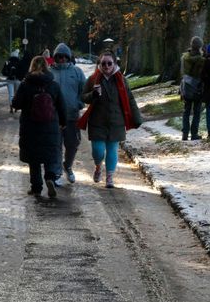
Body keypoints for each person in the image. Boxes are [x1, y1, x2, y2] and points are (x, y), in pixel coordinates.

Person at [78, 50, 142, 188]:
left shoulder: (121, 80)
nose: (106, 66)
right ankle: (98, 166)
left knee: (112, 149)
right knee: (98, 151)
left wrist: (136, 117)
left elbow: (129, 99)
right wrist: (93, 94)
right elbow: (83, 97)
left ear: (114, 64)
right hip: (97, 122)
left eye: (109, 63)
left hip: (116, 121)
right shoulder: (92, 79)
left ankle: (110, 177)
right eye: (103, 63)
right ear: (99, 64)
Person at [12, 56, 67, 198]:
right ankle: (49, 177)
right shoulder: (53, 85)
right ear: (46, 67)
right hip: (50, 127)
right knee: (49, 156)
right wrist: (63, 122)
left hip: (30, 127)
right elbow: (61, 106)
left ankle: (36, 188)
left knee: (34, 159)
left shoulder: (25, 84)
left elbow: (16, 103)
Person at [49, 43, 86, 184]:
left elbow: (84, 91)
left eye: (65, 56)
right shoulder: (49, 72)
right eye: (59, 56)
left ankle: (68, 166)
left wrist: (79, 104)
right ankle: (57, 173)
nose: (62, 59)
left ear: (69, 57)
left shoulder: (77, 72)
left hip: (71, 116)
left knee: (72, 144)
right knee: (55, 145)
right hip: (54, 117)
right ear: (55, 57)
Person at [180, 36, 205, 141]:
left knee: (186, 111)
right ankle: (194, 134)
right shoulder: (202, 59)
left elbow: (182, 72)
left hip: (186, 86)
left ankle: (185, 134)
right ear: (200, 46)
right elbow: (203, 74)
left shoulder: (184, 58)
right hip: (198, 87)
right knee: (196, 111)